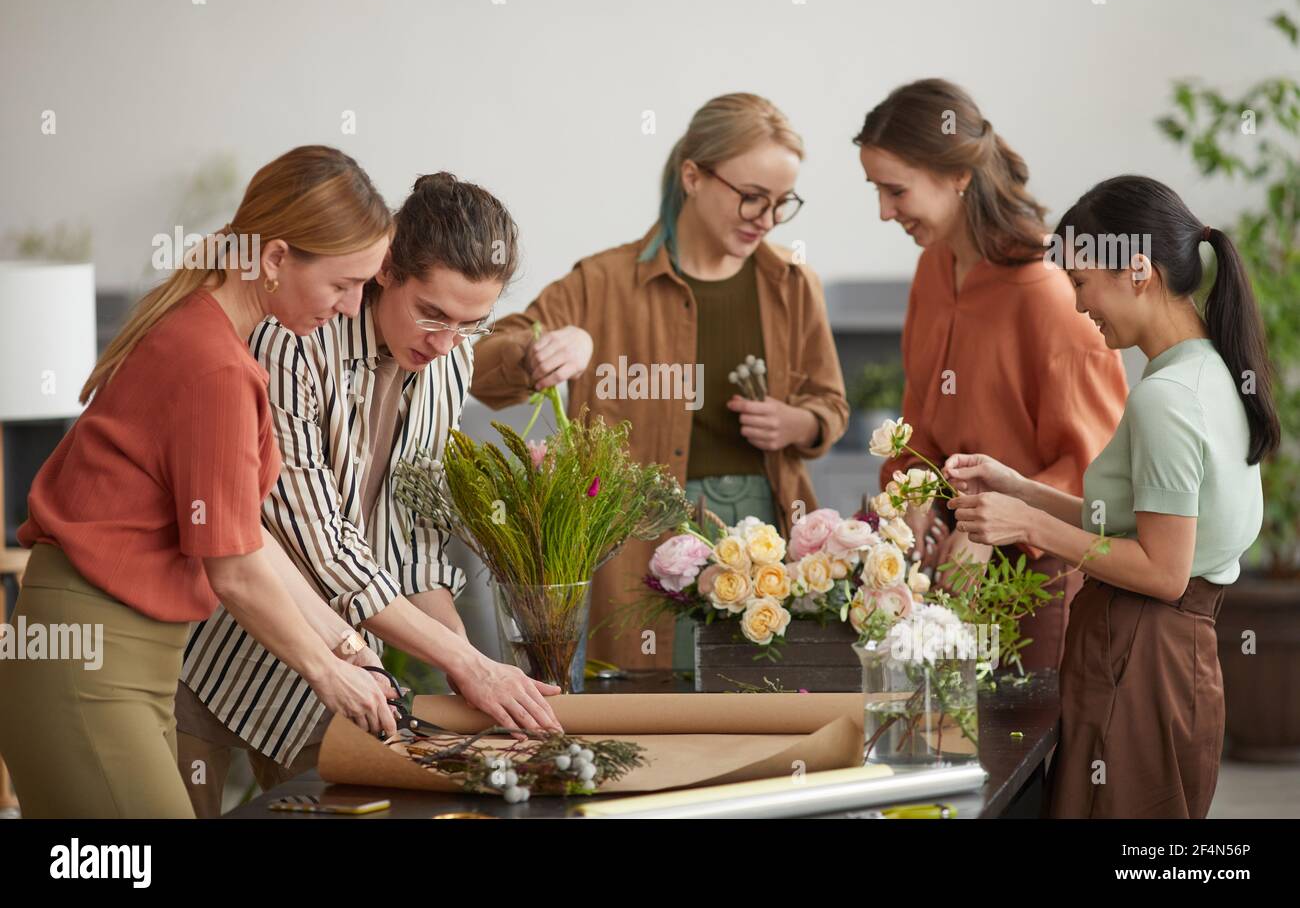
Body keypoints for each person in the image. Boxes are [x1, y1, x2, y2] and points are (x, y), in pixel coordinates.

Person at [0, 146, 402, 817]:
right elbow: (235, 571)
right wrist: (329, 675)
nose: (351, 305)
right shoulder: (213, 363)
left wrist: (344, 645)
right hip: (90, 666)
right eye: (343, 284)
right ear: (274, 259)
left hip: (123, 666)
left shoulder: (209, 336)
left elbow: (247, 540)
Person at [174, 173, 563, 817]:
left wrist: (478, 682)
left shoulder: (451, 361)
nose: (444, 342)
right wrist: (468, 665)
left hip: (335, 676)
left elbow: (410, 545)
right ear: (386, 271)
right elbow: (315, 541)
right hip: (211, 651)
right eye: (431, 313)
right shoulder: (293, 339)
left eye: (469, 324)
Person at [472, 93, 848, 674]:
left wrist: (802, 423)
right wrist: (537, 352)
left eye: (781, 203)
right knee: (645, 701)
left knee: (755, 699)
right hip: (640, 540)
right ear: (693, 176)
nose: (766, 219)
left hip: (764, 534)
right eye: (751, 197)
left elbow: (830, 402)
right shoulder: (602, 281)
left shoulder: (793, 285)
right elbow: (480, 363)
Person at [946, 174, 1279, 817]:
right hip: (1168, 655)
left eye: (1079, 282)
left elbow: (1160, 570)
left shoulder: (1167, 398)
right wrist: (1021, 491)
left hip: (1140, 655)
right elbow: (1136, 528)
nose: (1076, 305)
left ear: (1136, 270)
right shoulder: (1206, 368)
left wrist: (1030, 526)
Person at [857, 79, 1129, 671]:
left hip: (1043, 583)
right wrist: (911, 497)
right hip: (951, 575)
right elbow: (920, 426)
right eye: (876, 190)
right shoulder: (934, 270)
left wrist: (996, 526)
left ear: (958, 175)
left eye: (895, 190)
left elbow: (1099, 473)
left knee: (1029, 752)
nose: (883, 212)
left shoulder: (1050, 292)